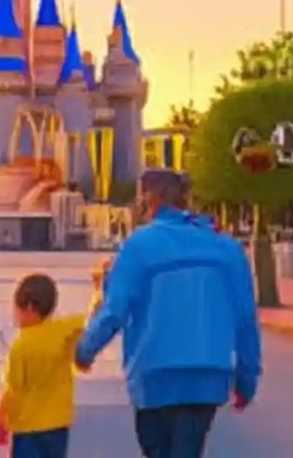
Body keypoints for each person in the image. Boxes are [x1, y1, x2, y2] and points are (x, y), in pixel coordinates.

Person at [75, 170, 262, 458]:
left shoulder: (139, 245)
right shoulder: (226, 248)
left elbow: (115, 309)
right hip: (207, 376)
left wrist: (85, 351)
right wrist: (247, 378)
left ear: (147, 199)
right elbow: (245, 318)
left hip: (154, 375)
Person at [0, 273, 86, 458]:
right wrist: (100, 287)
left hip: (28, 429)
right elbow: (91, 319)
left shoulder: (21, 346)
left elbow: (13, 390)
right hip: (58, 425)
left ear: (29, 307)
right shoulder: (63, 330)